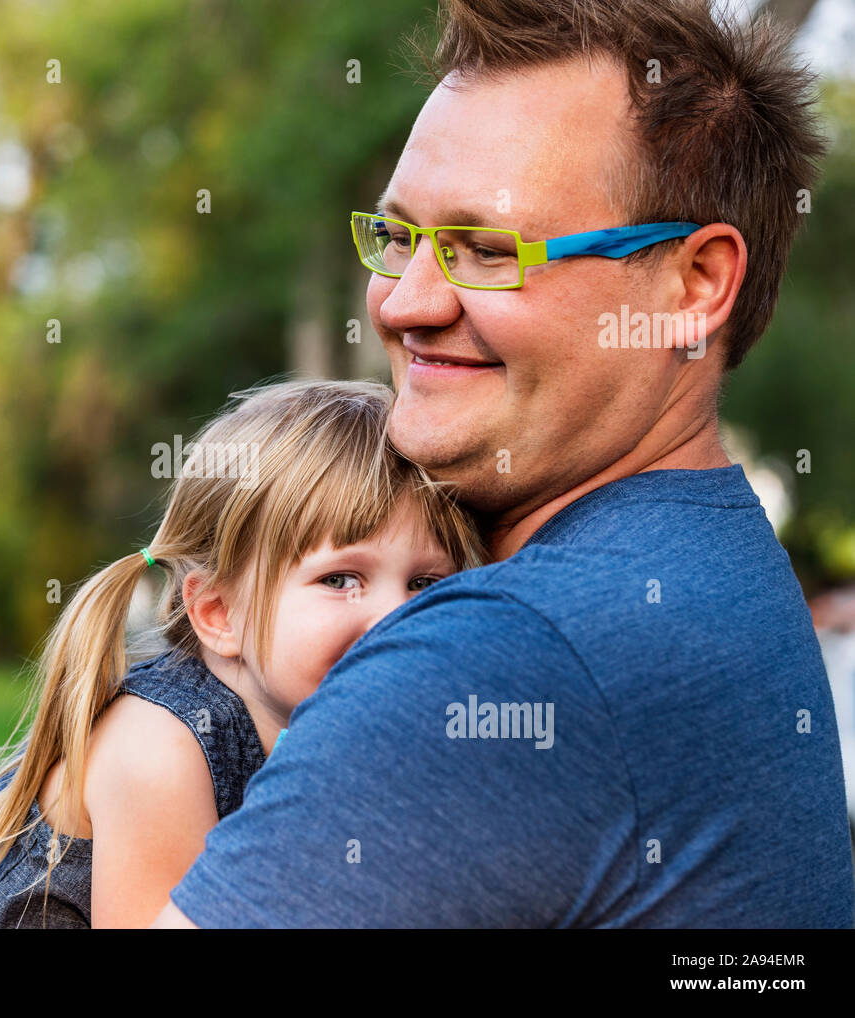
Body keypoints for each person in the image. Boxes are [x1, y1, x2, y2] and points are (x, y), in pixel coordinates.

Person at [153, 0, 855, 928]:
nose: (405, 304)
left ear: (694, 286)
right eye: (399, 236)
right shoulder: (714, 565)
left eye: (486, 250)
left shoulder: (509, 659)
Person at [0, 378, 484, 927]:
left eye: (425, 584)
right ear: (219, 614)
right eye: (340, 579)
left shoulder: (305, 730)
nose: (395, 616)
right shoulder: (161, 747)